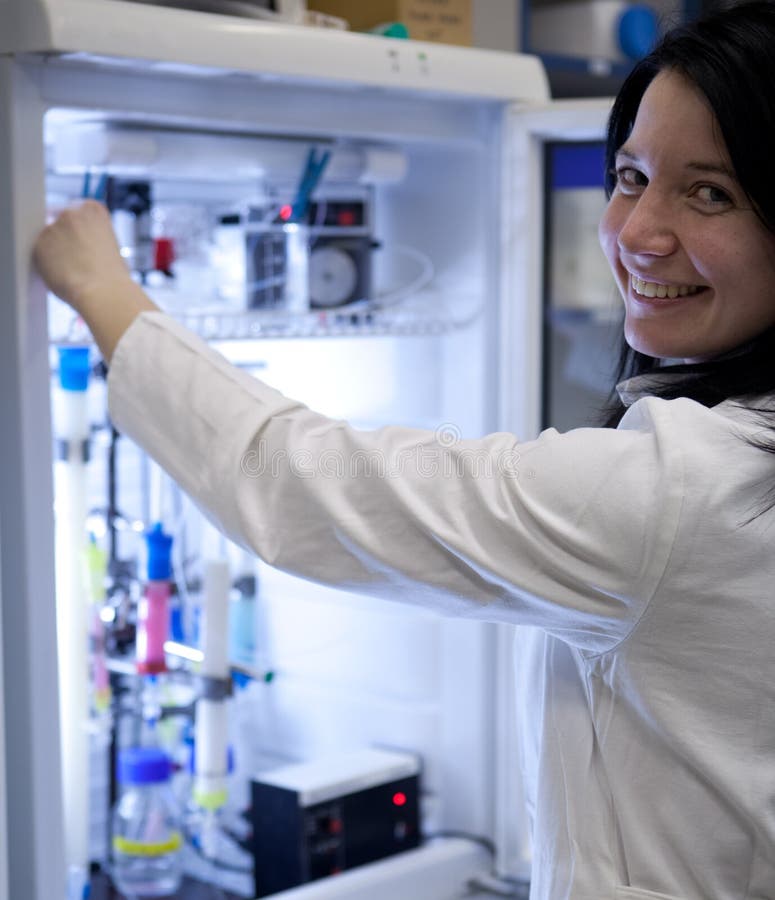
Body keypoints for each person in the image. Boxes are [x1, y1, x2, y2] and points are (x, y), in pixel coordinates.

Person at [33, 3, 775, 897]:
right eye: (627, 176)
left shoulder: (686, 491)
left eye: (710, 193)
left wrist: (105, 294)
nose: (636, 232)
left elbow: (307, 487)